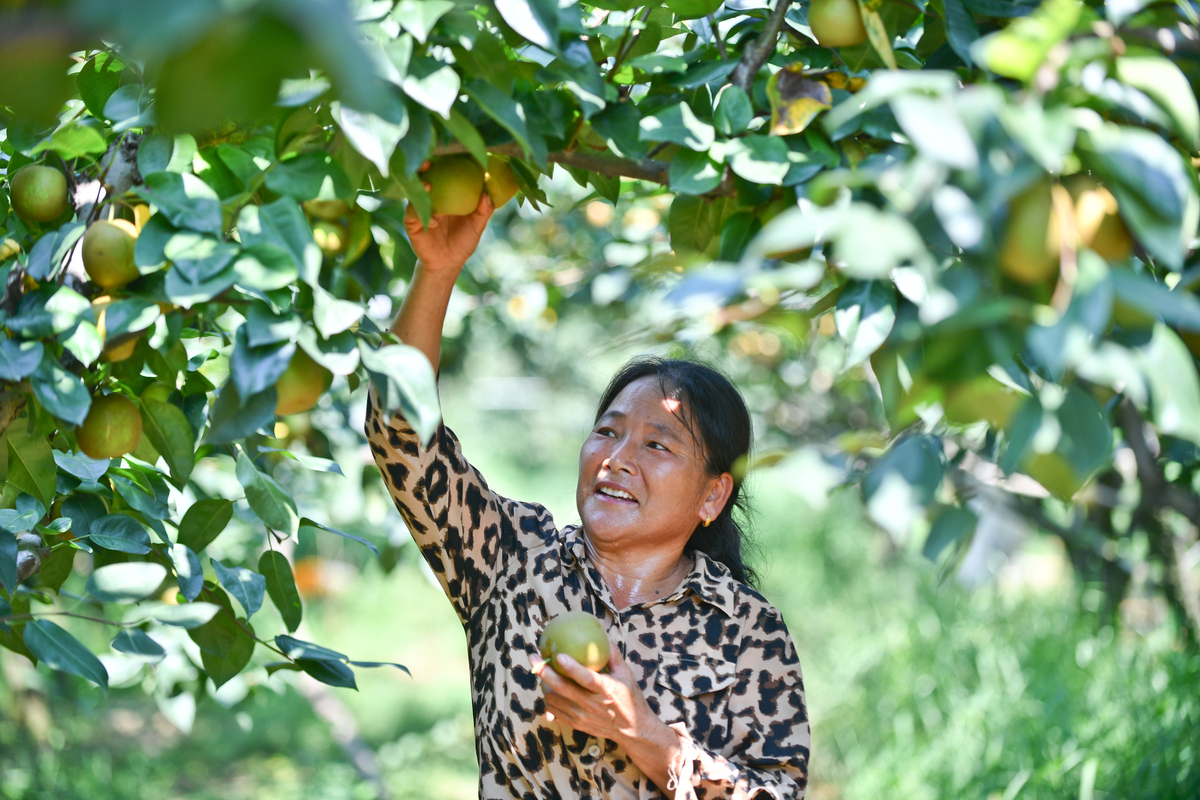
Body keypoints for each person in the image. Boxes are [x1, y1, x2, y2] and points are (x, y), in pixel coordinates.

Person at [364, 192, 810, 799]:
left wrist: (644, 734)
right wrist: (437, 271)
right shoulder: (512, 561)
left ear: (712, 496)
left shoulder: (747, 628)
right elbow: (401, 436)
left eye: (657, 445)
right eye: (607, 431)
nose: (617, 458)